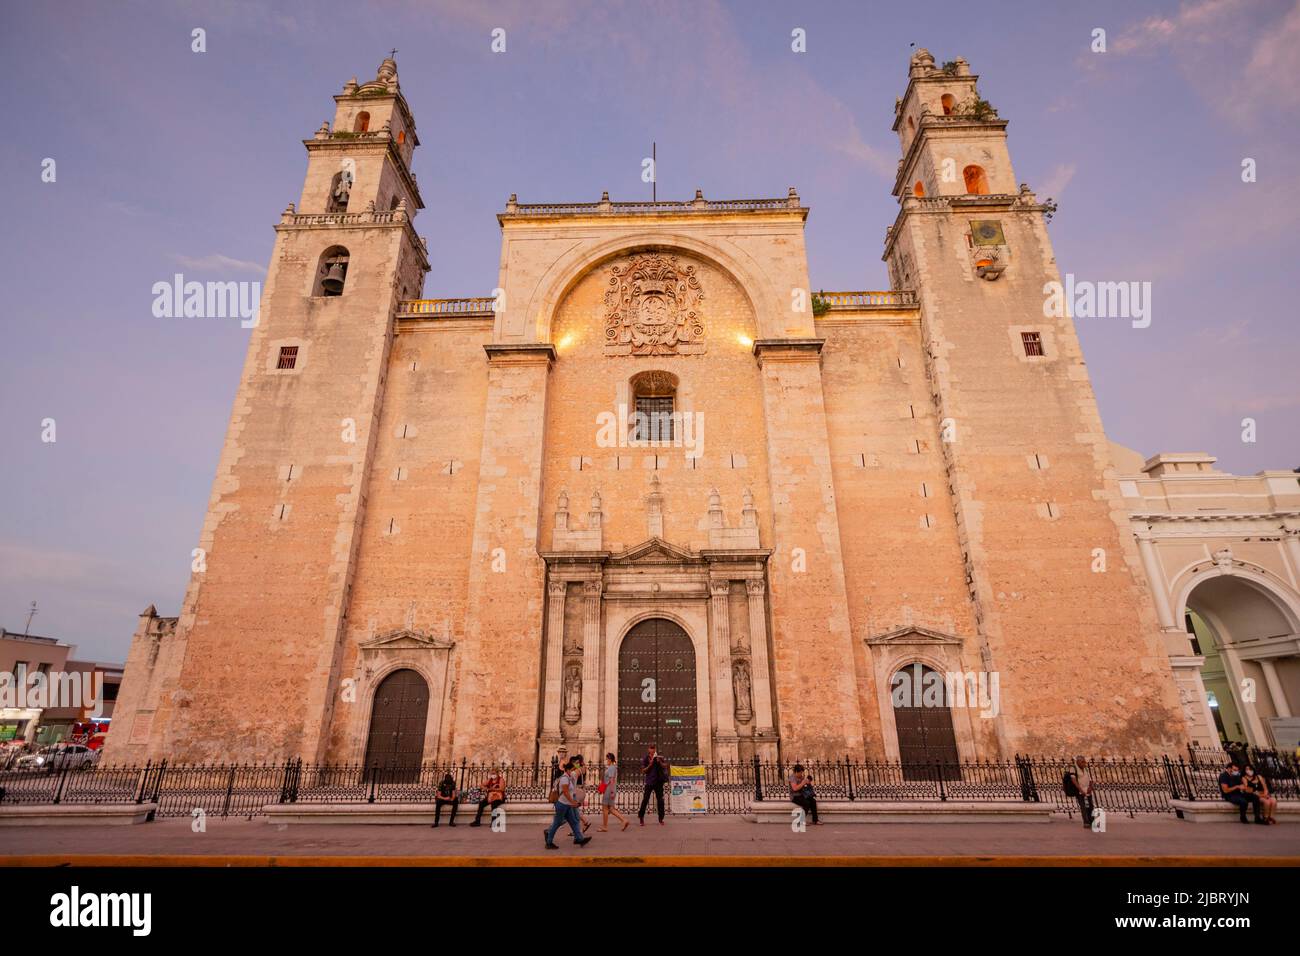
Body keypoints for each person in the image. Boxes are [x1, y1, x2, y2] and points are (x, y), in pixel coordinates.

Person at [544, 758, 592, 849]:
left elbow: (580, 770)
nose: (572, 771)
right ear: (567, 770)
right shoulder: (564, 779)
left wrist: (580, 764)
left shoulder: (569, 777)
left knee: (573, 821)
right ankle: (549, 842)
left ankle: (579, 838)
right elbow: (565, 792)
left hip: (567, 804)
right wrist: (572, 802)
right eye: (571, 770)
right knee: (557, 823)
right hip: (562, 805)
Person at [1218, 758, 1265, 824]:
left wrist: (1245, 787)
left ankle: (1257, 818)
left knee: (1255, 797)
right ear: (1229, 768)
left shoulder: (1237, 776)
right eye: (1234, 770)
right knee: (1243, 802)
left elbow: (1243, 785)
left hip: (1238, 793)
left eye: (1237, 770)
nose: (1236, 771)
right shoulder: (1224, 776)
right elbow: (1225, 790)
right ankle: (1243, 817)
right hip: (1229, 795)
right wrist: (1237, 787)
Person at [597, 753, 630, 832]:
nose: (606, 761)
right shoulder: (612, 767)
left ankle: (605, 827)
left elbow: (611, 780)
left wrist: (611, 792)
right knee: (611, 809)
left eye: (607, 759)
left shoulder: (612, 768)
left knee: (605, 808)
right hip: (609, 789)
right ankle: (624, 820)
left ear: (610, 759)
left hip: (609, 790)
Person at [638, 744, 669, 826]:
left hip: (658, 782)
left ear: (655, 749)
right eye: (651, 748)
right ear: (648, 749)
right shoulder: (646, 758)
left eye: (653, 748)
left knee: (660, 801)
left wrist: (660, 763)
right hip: (649, 782)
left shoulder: (659, 757)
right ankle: (641, 817)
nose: (652, 750)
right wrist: (650, 764)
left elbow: (665, 766)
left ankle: (661, 818)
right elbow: (643, 771)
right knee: (645, 799)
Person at [1065, 756, 1095, 829]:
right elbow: (1074, 780)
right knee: (1083, 806)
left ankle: (1091, 820)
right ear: (1077, 762)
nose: (1084, 763)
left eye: (1084, 762)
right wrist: (1080, 790)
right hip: (1080, 791)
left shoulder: (1086, 769)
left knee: (1090, 806)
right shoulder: (1073, 768)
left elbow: (1090, 779)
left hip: (1087, 790)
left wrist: (1090, 788)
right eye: (1082, 762)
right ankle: (1086, 822)